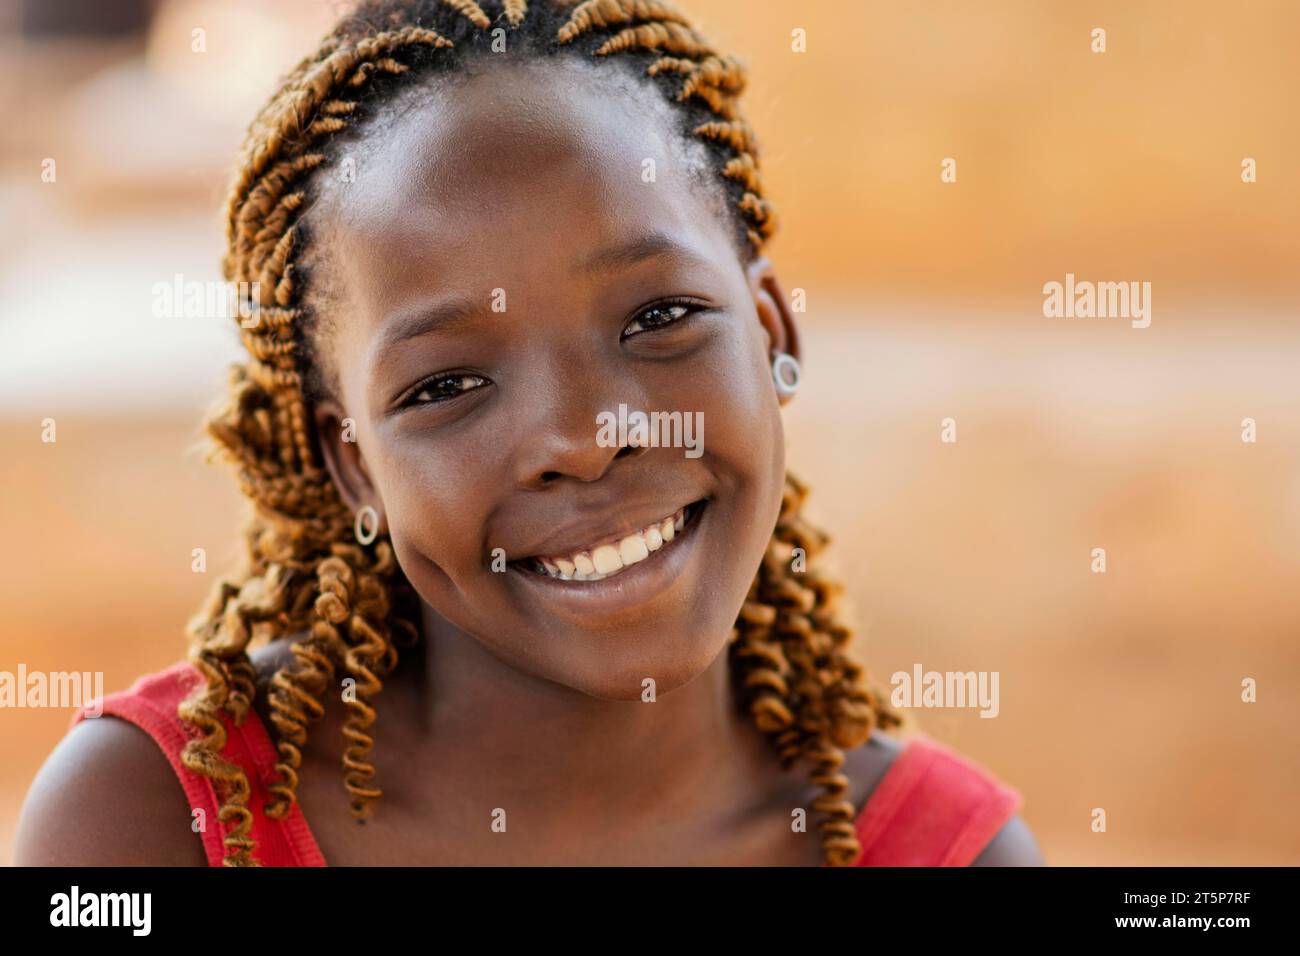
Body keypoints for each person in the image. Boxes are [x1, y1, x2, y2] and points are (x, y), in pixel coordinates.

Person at [14, 0, 1043, 867]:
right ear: (352, 464)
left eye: (657, 318)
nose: (586, 439)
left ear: (771, 330)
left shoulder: (942, 853)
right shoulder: (157, 824)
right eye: (448, 383)